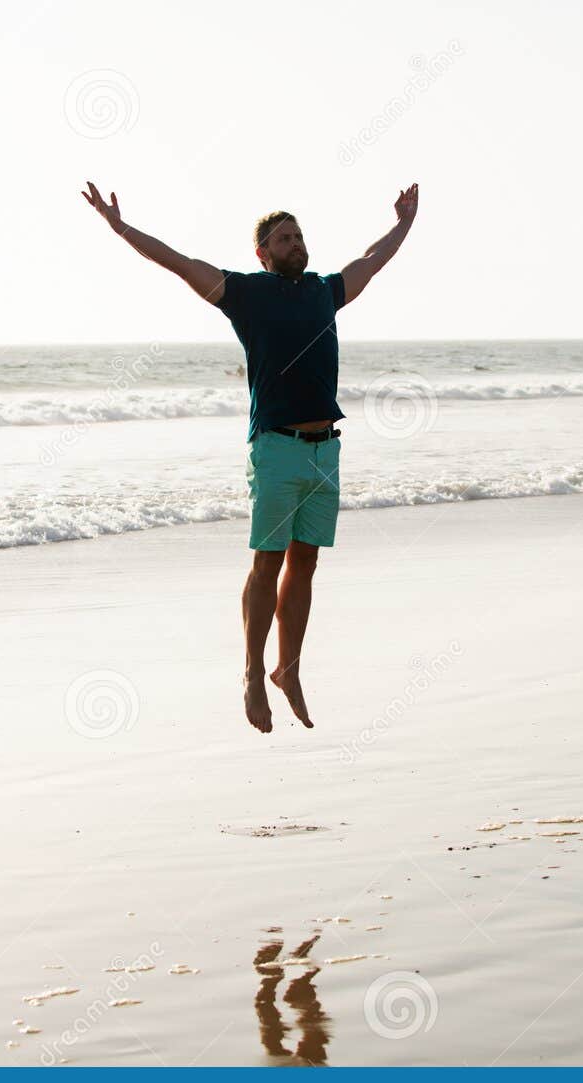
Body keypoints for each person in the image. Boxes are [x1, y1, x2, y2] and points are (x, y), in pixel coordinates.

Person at [81, 180, 420, 733]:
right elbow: (178, 262)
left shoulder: (323, 291)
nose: (296, 243)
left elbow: (371, 260)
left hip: (325, 450)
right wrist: (121, 229)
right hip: (276, 447)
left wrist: (403, 224)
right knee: (268, 561)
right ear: (263, 253)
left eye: (299, 236)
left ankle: (289, 669)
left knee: (306, 563)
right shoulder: (245, 294)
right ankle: (251, 674)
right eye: (284, 238)